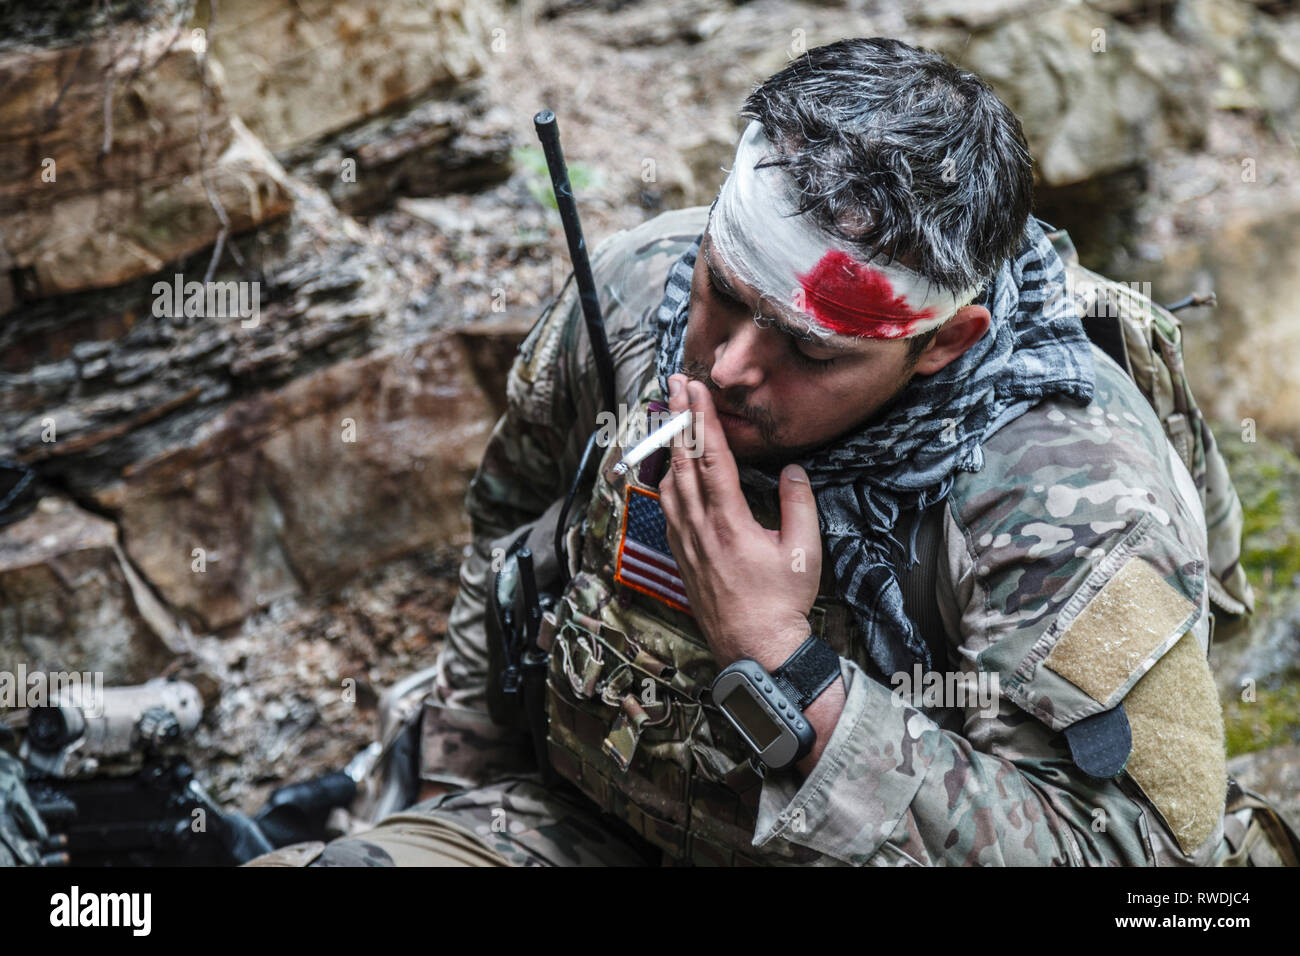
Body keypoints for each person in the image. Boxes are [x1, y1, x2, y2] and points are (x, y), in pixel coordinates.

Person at [249, 36, 1249, 867]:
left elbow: (1133, 861)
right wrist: (447, 789)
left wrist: (791, 665)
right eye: (725, 292)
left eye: (807, 348)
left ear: (942, 341)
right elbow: (510, 535)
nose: (727, 365)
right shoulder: (642, 288)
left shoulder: (1070, 484)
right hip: (599, 828)